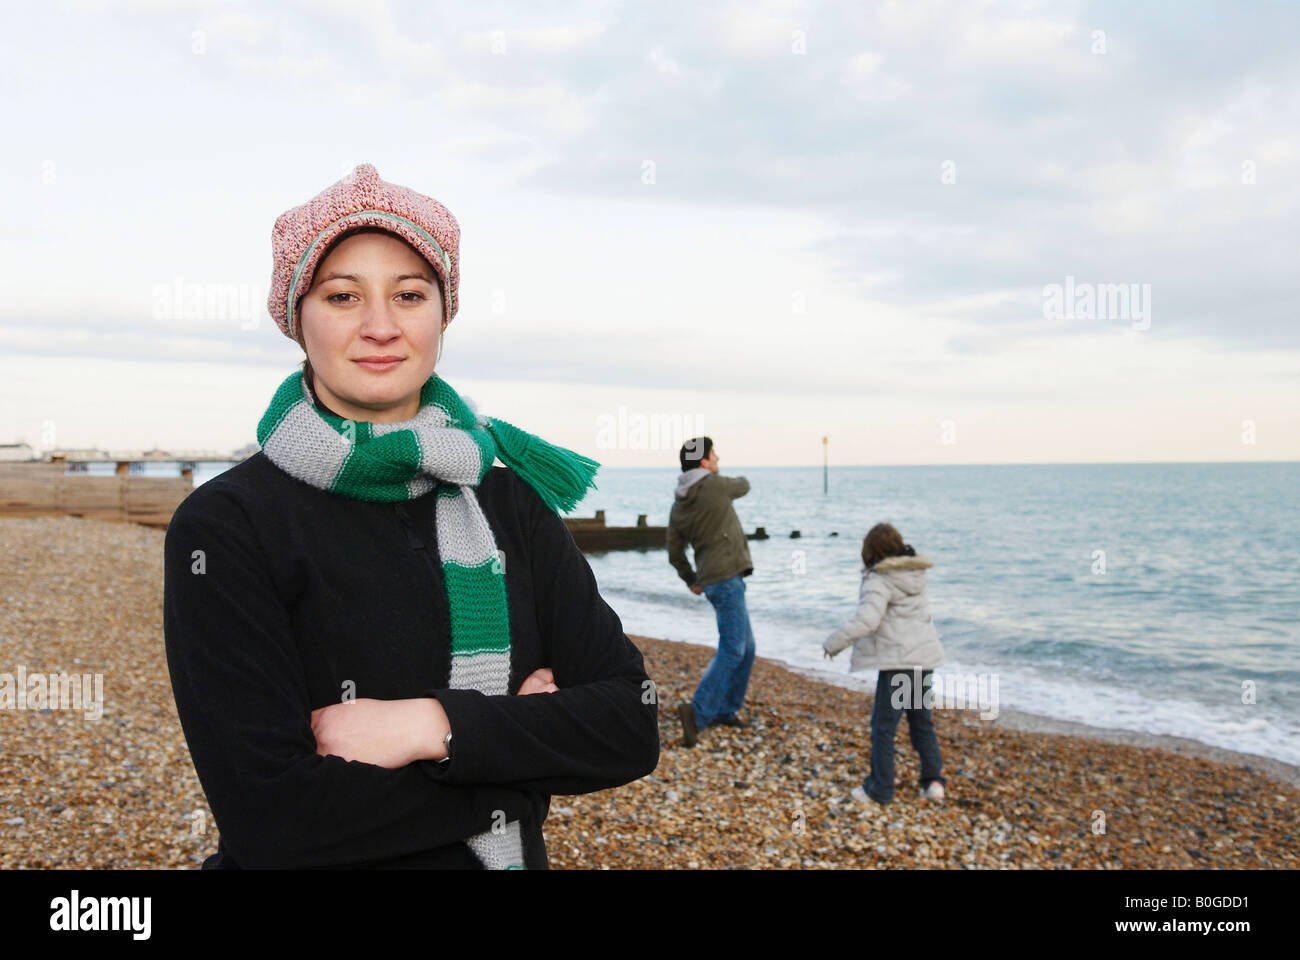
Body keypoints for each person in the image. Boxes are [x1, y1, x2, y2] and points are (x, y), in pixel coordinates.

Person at [163, 163, 659, 870]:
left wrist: (428, 726)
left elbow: (630, 726)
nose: (380, 327)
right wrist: (518, 761)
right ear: (295, 320)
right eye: (342, 296)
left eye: (409, 294)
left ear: (442, 313)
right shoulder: (227, 526)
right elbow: (271, 819)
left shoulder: (508, 504)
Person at [822, 522, 946, 805]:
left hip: (898, 663)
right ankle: (934, 783)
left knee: (883, 728)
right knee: (921, 724)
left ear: (871, 551)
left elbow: (868, 620)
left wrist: (834, 642)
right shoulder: (915, 573)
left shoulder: (880, 579)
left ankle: (880, 789)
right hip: (922, 660)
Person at [666, 436, 756, 747]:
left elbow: (674, 552)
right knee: (733, 649)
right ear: (703, 462)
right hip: (728, 578)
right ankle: (699, 712)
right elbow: (744, 485)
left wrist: (691, 579)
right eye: (714, 455)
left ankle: (726, 709)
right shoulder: (715, 486)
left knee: (747, 647)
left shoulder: (679, 502)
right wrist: (720, 477)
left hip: (712, 580)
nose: (717, 459)